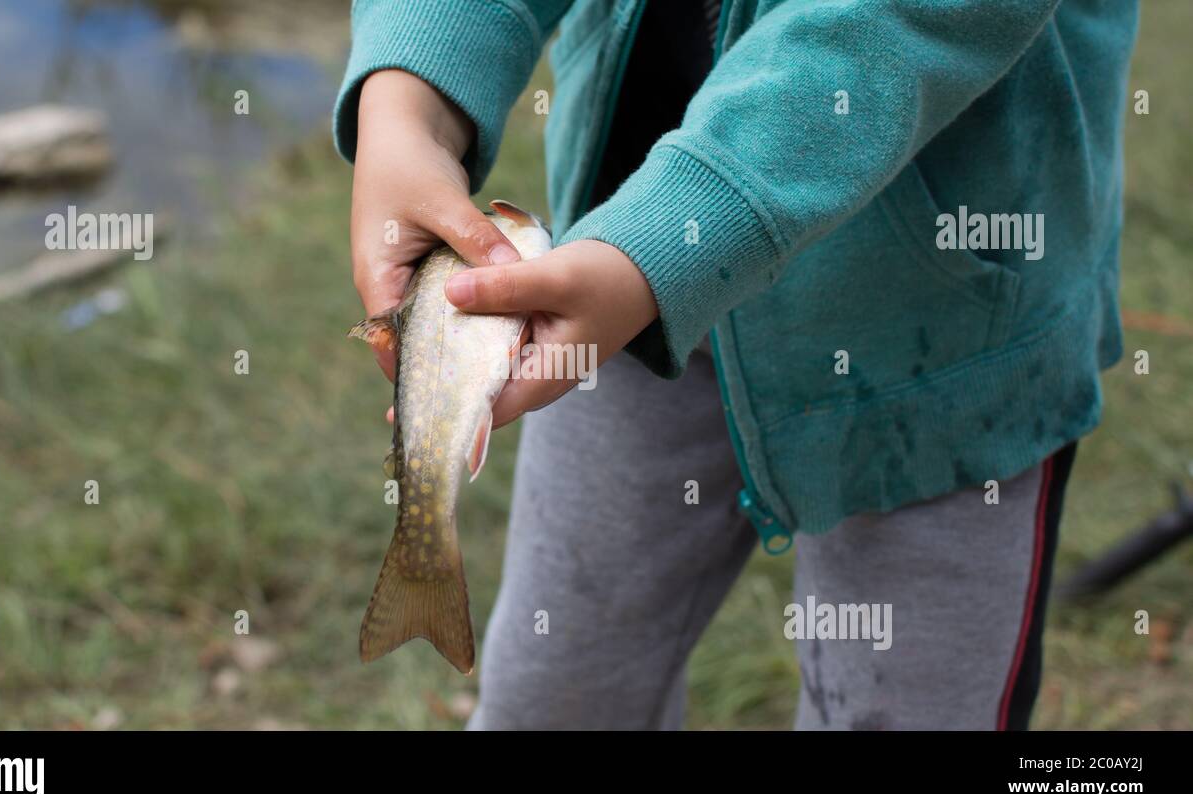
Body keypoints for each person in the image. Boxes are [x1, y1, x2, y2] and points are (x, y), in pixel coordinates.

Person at [333, 0, 1139, 729]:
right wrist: (409, 92)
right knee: (556, 689)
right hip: (606, 285)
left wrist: (671, 240)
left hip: (942, 351)